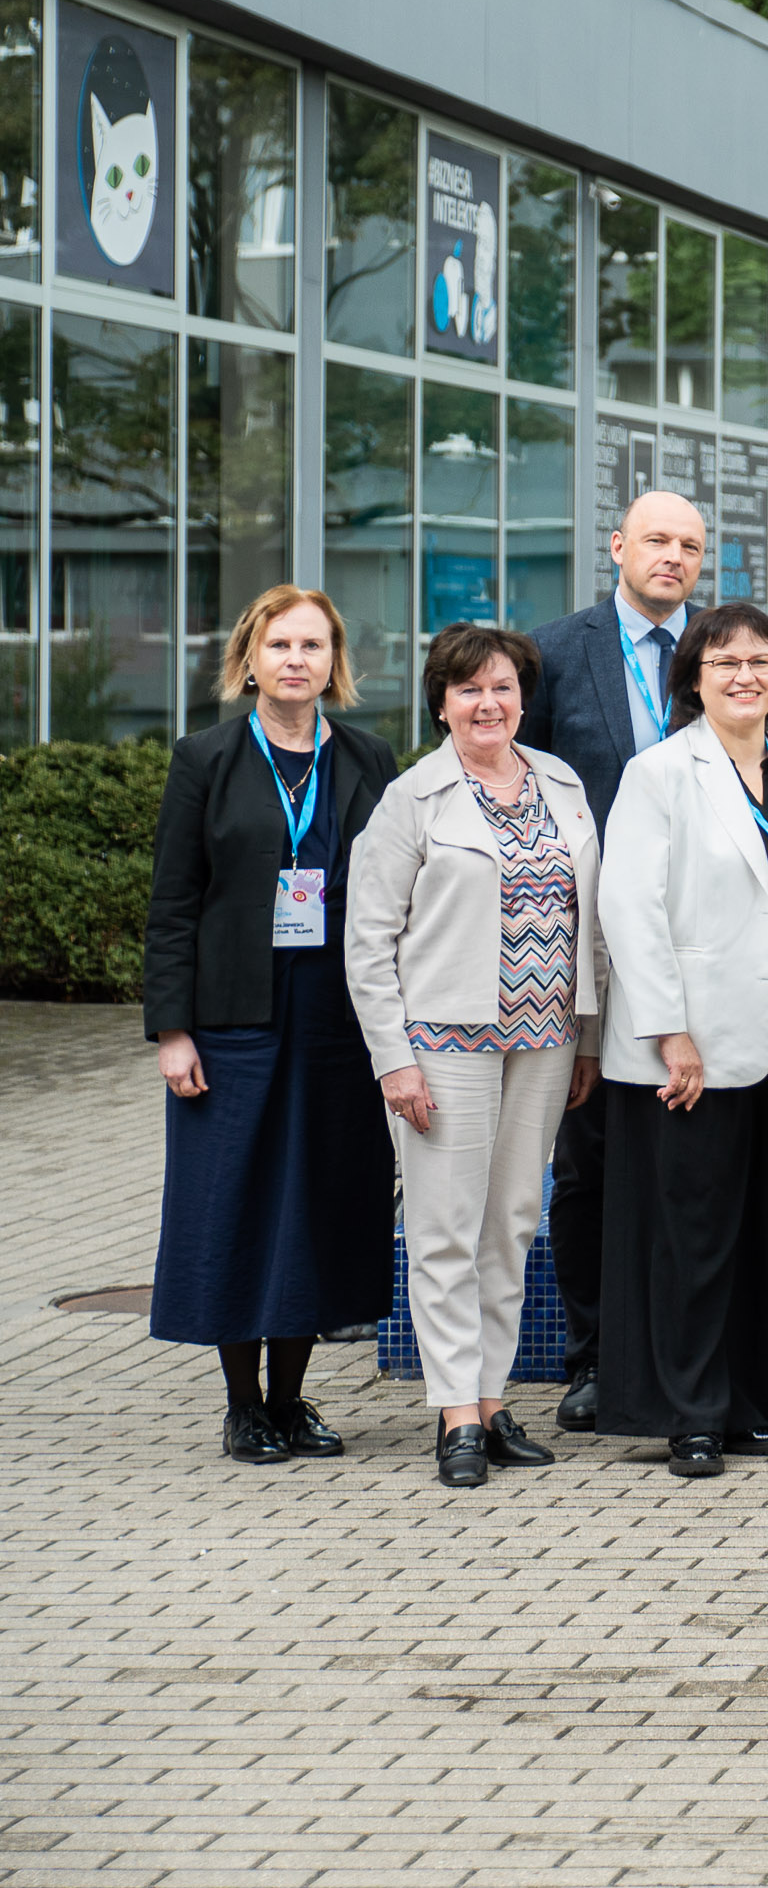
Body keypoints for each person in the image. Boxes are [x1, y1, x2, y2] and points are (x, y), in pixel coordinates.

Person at [342, 621, 606, 1489]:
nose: (488, 703)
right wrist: (393, 1059)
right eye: (469, 690)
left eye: (502, 687)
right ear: (442, 703)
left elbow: (592, 920)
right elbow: (368, 943)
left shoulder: (561, 783)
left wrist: (589, 1034)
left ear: (523, 697)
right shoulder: (412, 799)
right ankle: (455, 1412)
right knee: (444, 1229)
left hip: (546, 1039)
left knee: (512, 1224)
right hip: (442, 1045)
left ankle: (492, 1403)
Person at [145, 586, 398, 1462]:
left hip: (337, 1020)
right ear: (250, 658)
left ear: (335, 664)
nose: (297, 660)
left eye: (313, 646)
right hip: (233, 1022)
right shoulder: (205, 758)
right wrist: (173, 1030)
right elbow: (173, 903)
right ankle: (244, 1404)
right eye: (281, 644)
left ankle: (291, 1399)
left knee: (320, 1198)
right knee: (236, 1200)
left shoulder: (367, 758)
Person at [592, 602, 768, 1474]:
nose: (745, 675)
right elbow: (629, 905)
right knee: (693, 1236)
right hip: (691, 1040)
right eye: (725, 661)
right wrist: (671, 1032)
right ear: (693, 678)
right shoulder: (659, 771)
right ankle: (691, 1412)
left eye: (760, 660)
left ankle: (757, 1406)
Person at [522, 488, 706, 1434]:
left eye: (690, 545)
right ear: (618, 545)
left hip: (703, 936)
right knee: (588, 1157)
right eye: (657, 539)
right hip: (584, 941)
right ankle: (594, 1357)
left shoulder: (724, 651)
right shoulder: (554, 652)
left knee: (687, 1152)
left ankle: (684, 1349)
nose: (672, 556)